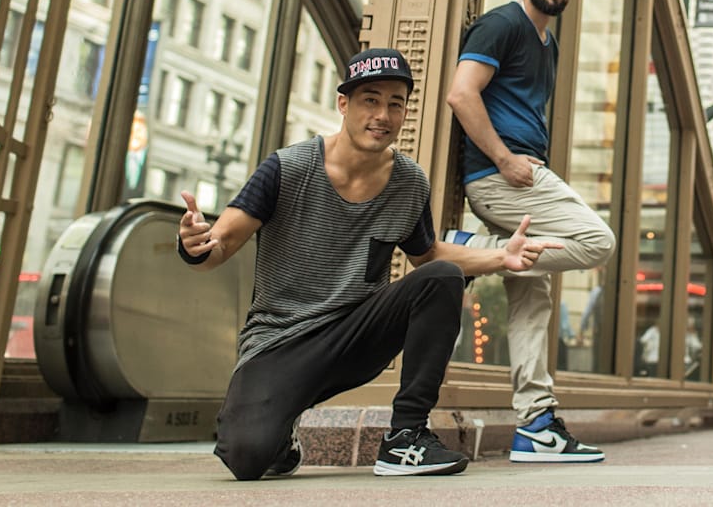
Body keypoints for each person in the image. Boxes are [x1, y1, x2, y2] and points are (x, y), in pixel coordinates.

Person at [177, 48, 560, 480]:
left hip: (355, 333)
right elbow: (221, 243)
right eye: (371, 100)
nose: (383, 114)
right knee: (247, 458)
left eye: (395, 103)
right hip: (281, 340)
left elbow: (428, 256)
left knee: (443, 278)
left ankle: (406, 438)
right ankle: (282, 431)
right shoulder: (288, 168)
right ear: (344, 104)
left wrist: (500, 257)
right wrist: (195, 243)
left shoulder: (409, 181)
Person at [444, 0, 617, 463]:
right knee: (597, 240)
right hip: (505, 177)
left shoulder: (547, 43)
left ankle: (534, 424)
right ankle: (471, 246)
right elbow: (460, 93)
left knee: (532, 302)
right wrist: (502, 159)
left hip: (517, 178)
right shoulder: (503, 24)